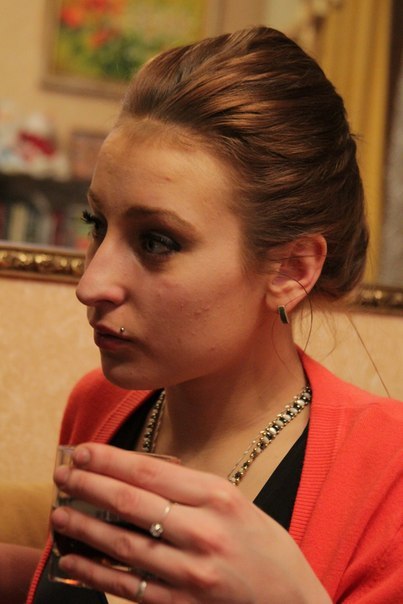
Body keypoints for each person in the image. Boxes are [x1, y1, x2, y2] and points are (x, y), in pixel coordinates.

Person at [2, 25, 402, 604]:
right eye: (97, 225)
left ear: (291, 269)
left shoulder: (386, 474)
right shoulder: (98, 406)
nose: (90, 285)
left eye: (156, 242)